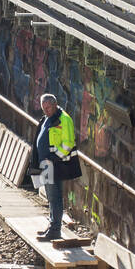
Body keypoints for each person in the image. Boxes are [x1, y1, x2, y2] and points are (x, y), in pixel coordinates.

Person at [28, 92, 81, 241]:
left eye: (48, 108)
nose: (46, 110)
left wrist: (54, 157)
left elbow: (68, 143)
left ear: (55, 105)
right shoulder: (48, 118)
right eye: (44, 108)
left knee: (55, 196)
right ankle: (52, 225)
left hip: (55, 165)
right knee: (50, 196)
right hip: (46, 163)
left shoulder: (63, 119)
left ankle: (55, 229)